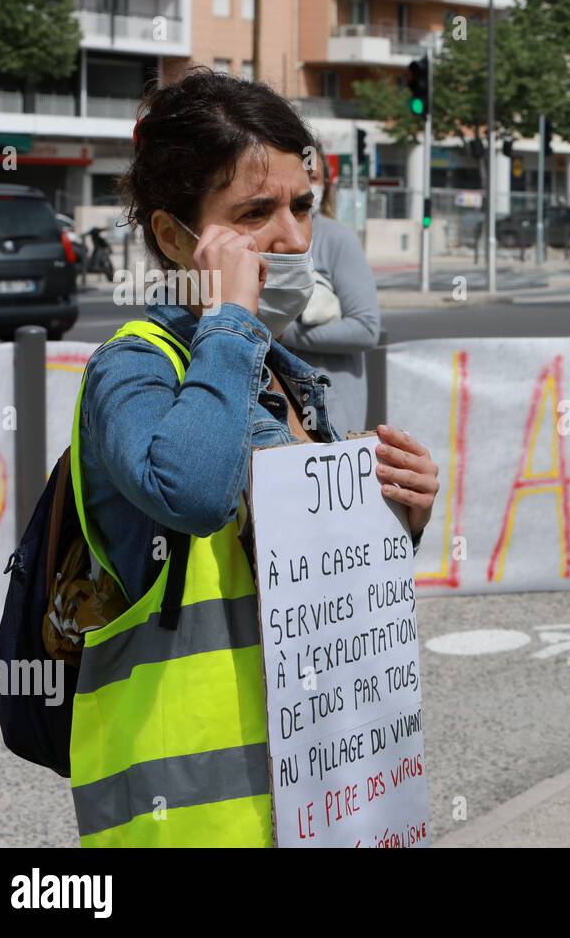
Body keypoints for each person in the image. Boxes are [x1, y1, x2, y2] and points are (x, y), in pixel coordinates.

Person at [71, 70, 440, 846]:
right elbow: (196, 494)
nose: (298, 239)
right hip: (195, 821)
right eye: (255, 213)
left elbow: (307, 584)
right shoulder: (135, 368)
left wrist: (395, 514)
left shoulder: (285, 373)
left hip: (320, 802)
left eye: (303, 205)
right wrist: (231, 314)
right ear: (176, 238)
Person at [275, 149, 382, 436]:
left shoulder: (338, 240)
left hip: (332, 416)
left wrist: (284, 335)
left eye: (313, 177)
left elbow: (365, 328)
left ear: (327, 184)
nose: (306, 184)